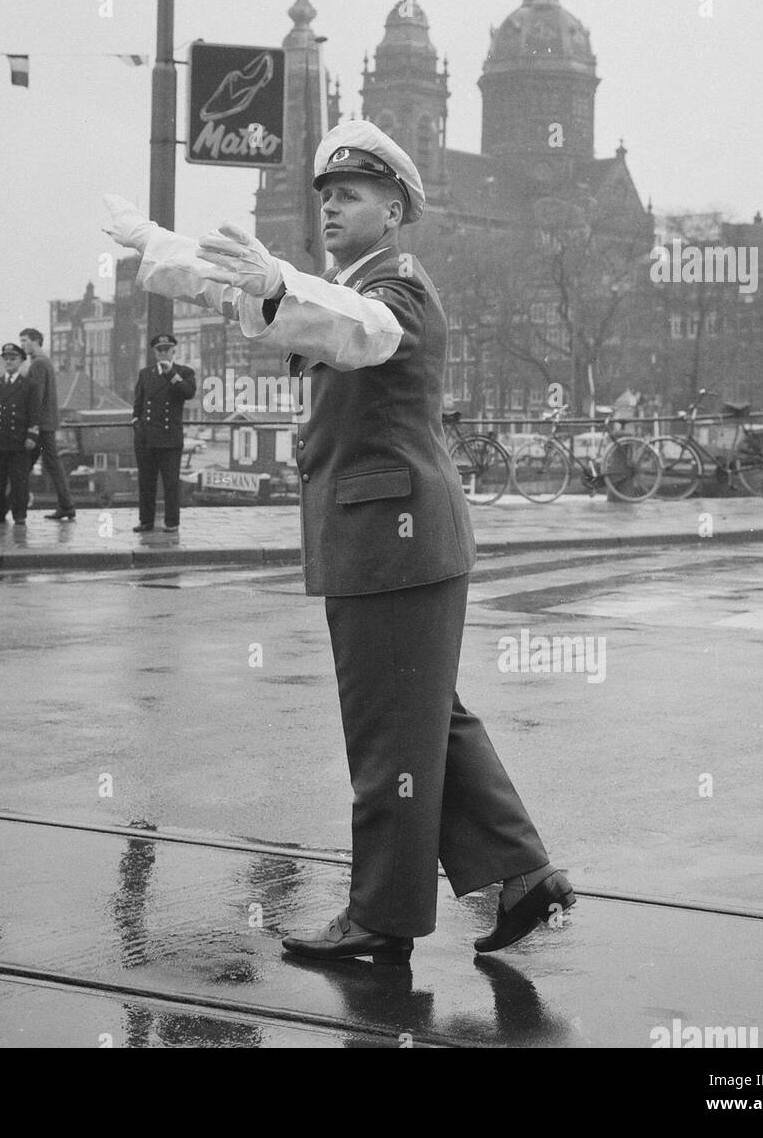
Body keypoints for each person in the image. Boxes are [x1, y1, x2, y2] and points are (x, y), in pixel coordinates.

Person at [103, 120, 573, 962]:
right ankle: (524, 874)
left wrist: (282, 279)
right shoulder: (343, 287)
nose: (329, 207)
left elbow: (359, 329)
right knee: (428, 719)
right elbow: (255, 301)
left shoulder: (393, 289)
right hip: (390, 544)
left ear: (393, 209)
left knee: (388, 734)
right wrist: (165, 249)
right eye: (323, 195)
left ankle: (381, 915)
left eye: (348, 194)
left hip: (391, 544)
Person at [130, 333, 196, 533]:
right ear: (154, 353)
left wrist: (171, 375)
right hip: (146, 437)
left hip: (169, 438)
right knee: (146, 482)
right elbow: (138, 402)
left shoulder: (184, 372)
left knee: (170, 484)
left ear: (174, 351)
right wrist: (136, 420)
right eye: (159, 350)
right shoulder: (146, 373)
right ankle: (146, 521)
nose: (163, 353)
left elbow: (188, 393)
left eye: (167, 349)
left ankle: (172, 522)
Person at [0, 343, 42, 528]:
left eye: (13, 359)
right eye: (6, 358)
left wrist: (32, 435)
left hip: (18, 441)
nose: (9, 362)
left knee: (19, 480)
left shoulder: (29, 385)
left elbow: (34, 413)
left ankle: (19, 515)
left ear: (21, 361)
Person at [19, 328, 76, 521]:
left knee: (24, 467)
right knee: (48, 465)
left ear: (35, 342)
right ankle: (66, 506)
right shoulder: (45, 363)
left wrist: (32, 426)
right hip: (47, 424)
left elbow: (36, 396)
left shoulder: (38, 364)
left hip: (40, 426)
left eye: (25, 341)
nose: (22, 345)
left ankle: (9, 506)